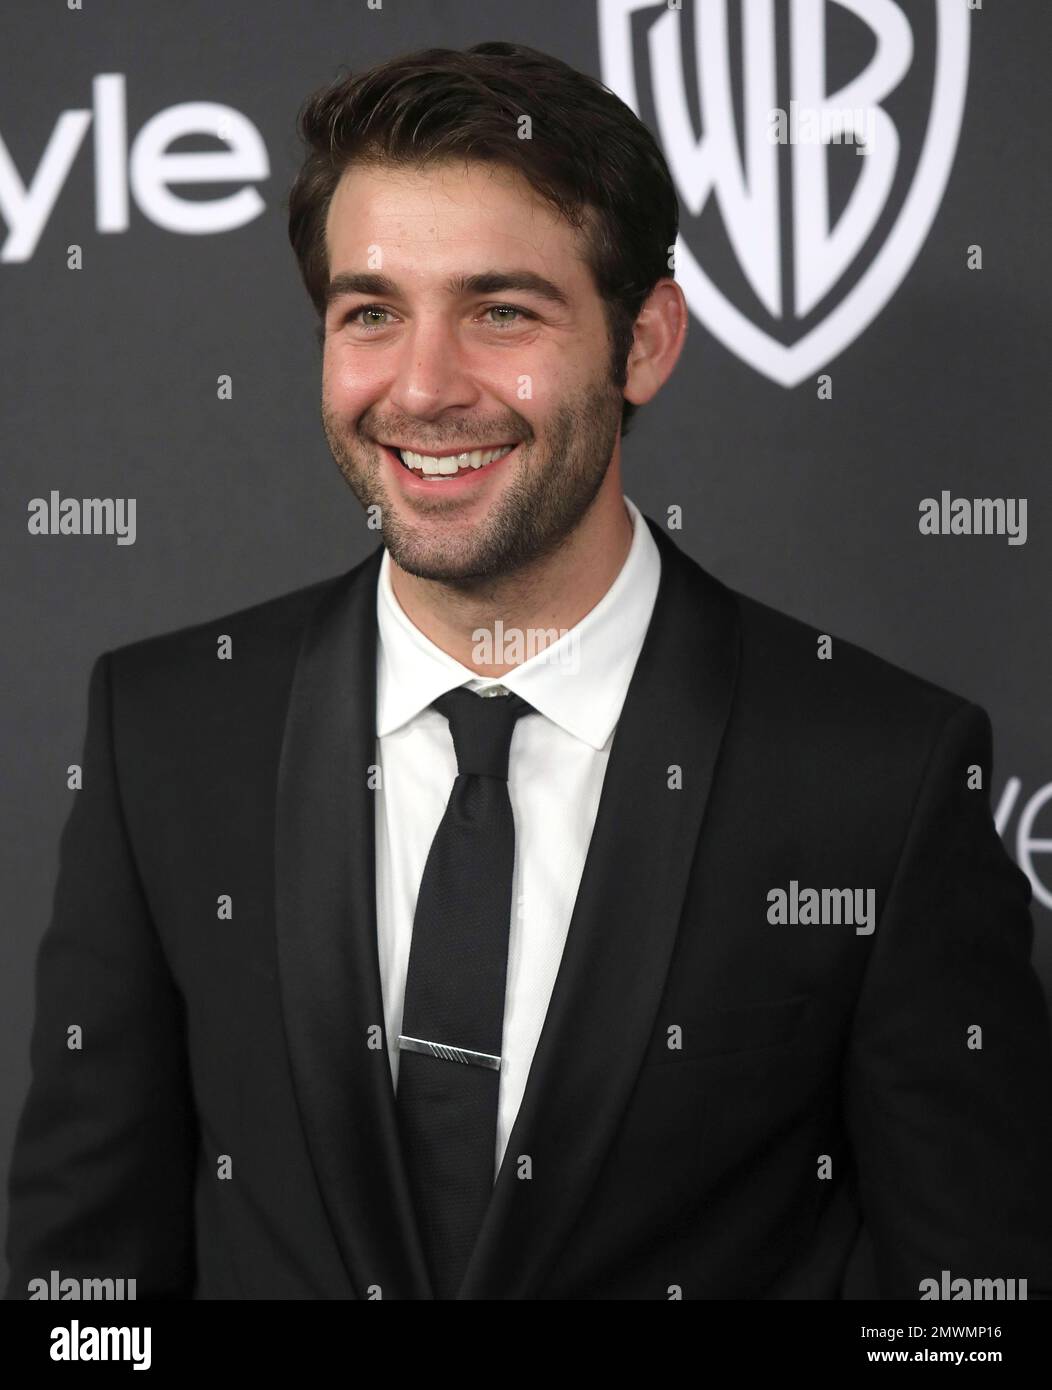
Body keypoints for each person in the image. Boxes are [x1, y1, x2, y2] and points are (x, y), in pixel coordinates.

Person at [6, 41, 1052, 1301]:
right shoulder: (167, 731)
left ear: (645, 342)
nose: (424, 387)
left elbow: (971, 1310)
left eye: (501, 310)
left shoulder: (876, 773)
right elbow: (83, 1294)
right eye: (370, 313)